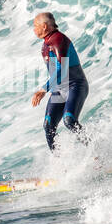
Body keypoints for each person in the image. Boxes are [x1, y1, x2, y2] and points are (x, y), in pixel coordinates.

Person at [30, 11, 88, 151]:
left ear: (44, 26)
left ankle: (94, 150)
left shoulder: (58, 40)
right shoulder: (46, 44)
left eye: (35, 25)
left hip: (75, 85)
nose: (33, 29)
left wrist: (44, 89)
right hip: (60, 90)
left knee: (69, 121)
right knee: (48, 125)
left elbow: (62, 70)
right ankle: (59, 163)